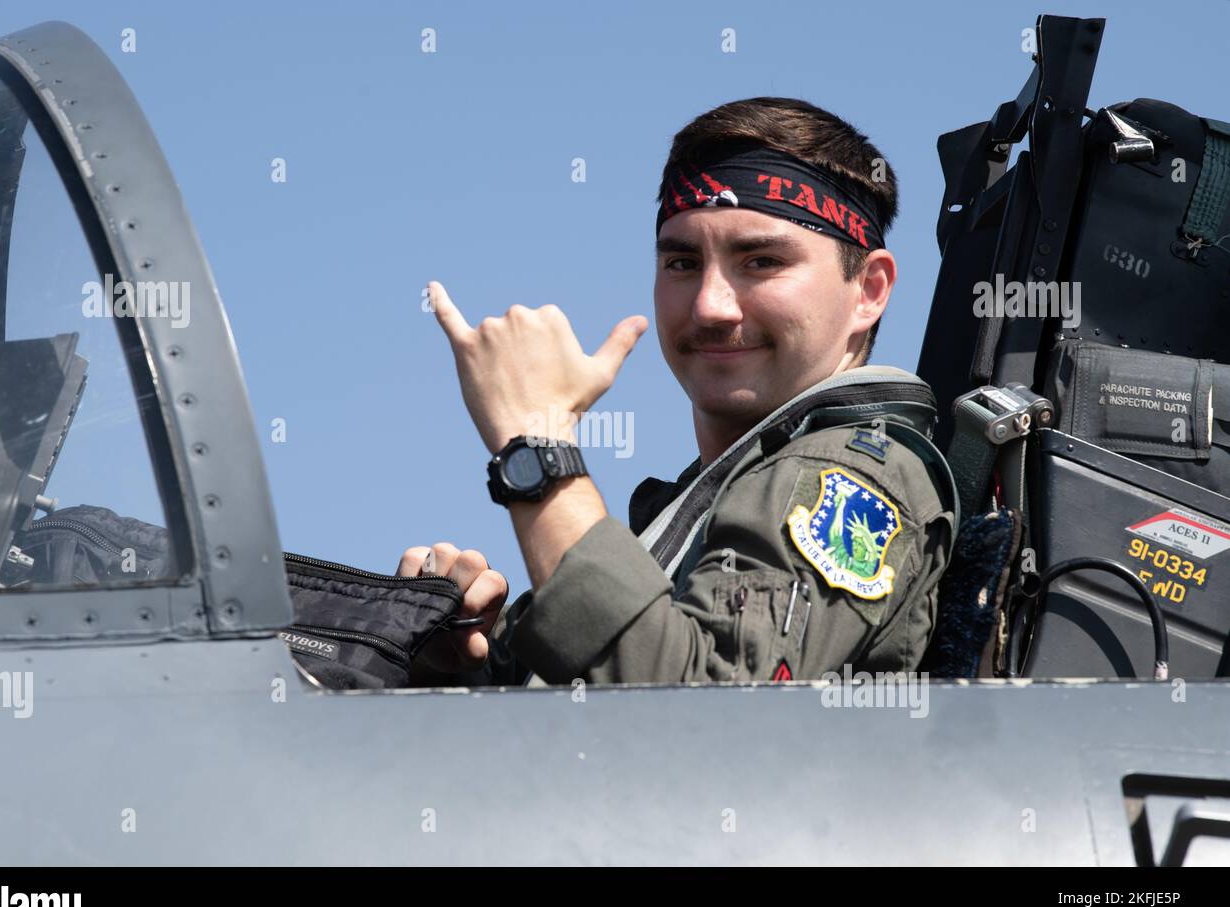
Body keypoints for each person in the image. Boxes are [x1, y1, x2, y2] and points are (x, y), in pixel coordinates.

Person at [401, 96, 955, 686]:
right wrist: (461, 665)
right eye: (683, 263)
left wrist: (537, 447)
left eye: (762, 261)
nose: (710, 307)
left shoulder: (847, 478)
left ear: (869, 290)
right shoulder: (698, 507)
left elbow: (694, 714)